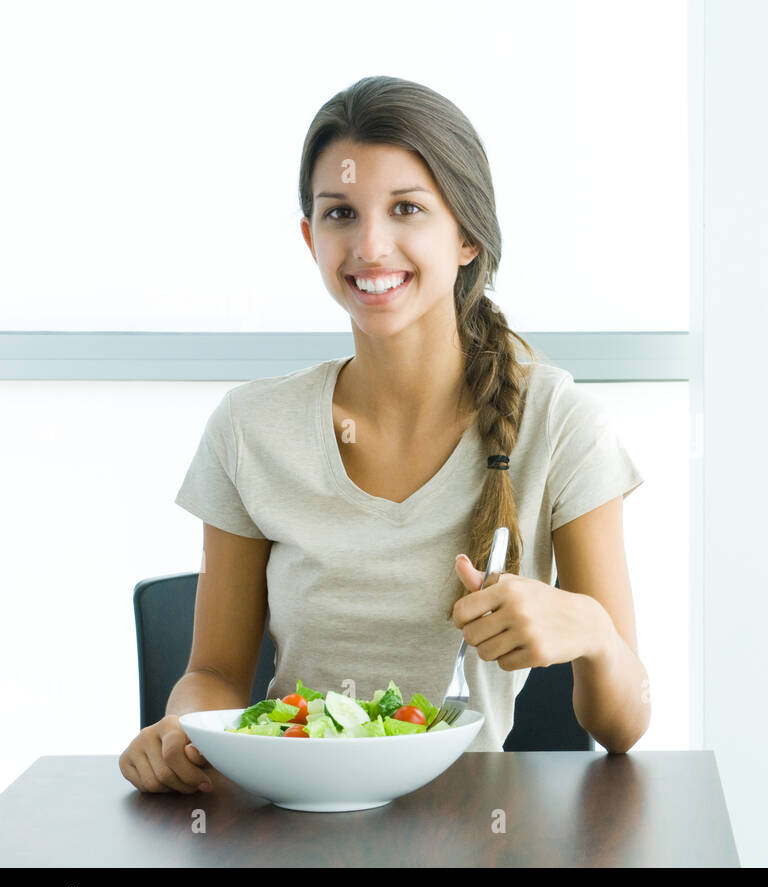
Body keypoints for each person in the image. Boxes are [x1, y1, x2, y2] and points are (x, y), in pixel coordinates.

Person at [119, 76, 648, 794]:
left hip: (469, 826)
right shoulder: (250, 428)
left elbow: (625, 724)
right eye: (340, 213)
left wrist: (589, 627)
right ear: (311, 238)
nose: (370, 245)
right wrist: (184, 728)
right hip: (289, 819)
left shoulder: (558, 420)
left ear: (466, 235)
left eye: (406, 209)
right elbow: (211, 673)